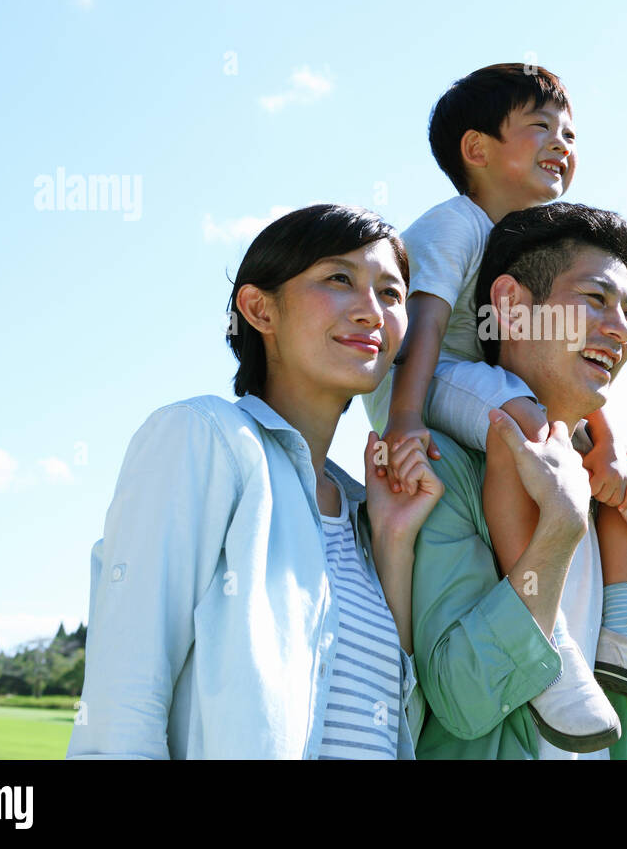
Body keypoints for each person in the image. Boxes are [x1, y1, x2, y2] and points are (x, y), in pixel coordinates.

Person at [363, 64, 627, 751]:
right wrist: (404, 421)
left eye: (570, 133)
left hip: (481, 386)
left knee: (602, 467)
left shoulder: (517, 238)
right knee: (516, 431)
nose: (562, 144)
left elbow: (582, 401)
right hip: (424, 382)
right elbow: (424, 328)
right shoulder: (456, 226)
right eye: (541, 127)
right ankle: (546, 642)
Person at [66, 204, 443, 759]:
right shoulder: (203, 436)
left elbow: (387, 721)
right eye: (340, 279)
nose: (372, 312)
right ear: (259, 309)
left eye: (391, 294)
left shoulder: (366, 509)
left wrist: (392, 540)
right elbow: (124, 690)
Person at [409, 202, 627, 759]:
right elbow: (461, 701)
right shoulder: (440, 474)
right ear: (511, 305)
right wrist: (558, 529)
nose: (620, 329)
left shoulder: (609, 478)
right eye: (595, 299)